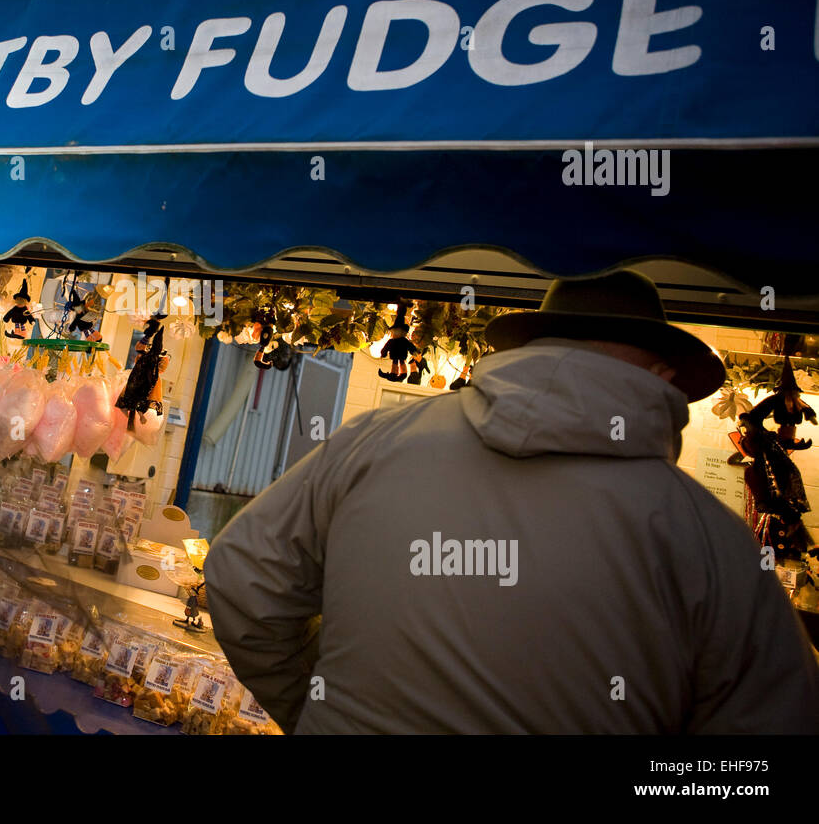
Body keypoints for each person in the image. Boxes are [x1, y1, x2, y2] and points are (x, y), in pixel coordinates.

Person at [204, 269, 819, 734]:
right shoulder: (709, 537)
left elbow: (239, 577)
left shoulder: (374, 443)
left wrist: (324, 709)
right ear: (662, 377)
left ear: (533, 345)